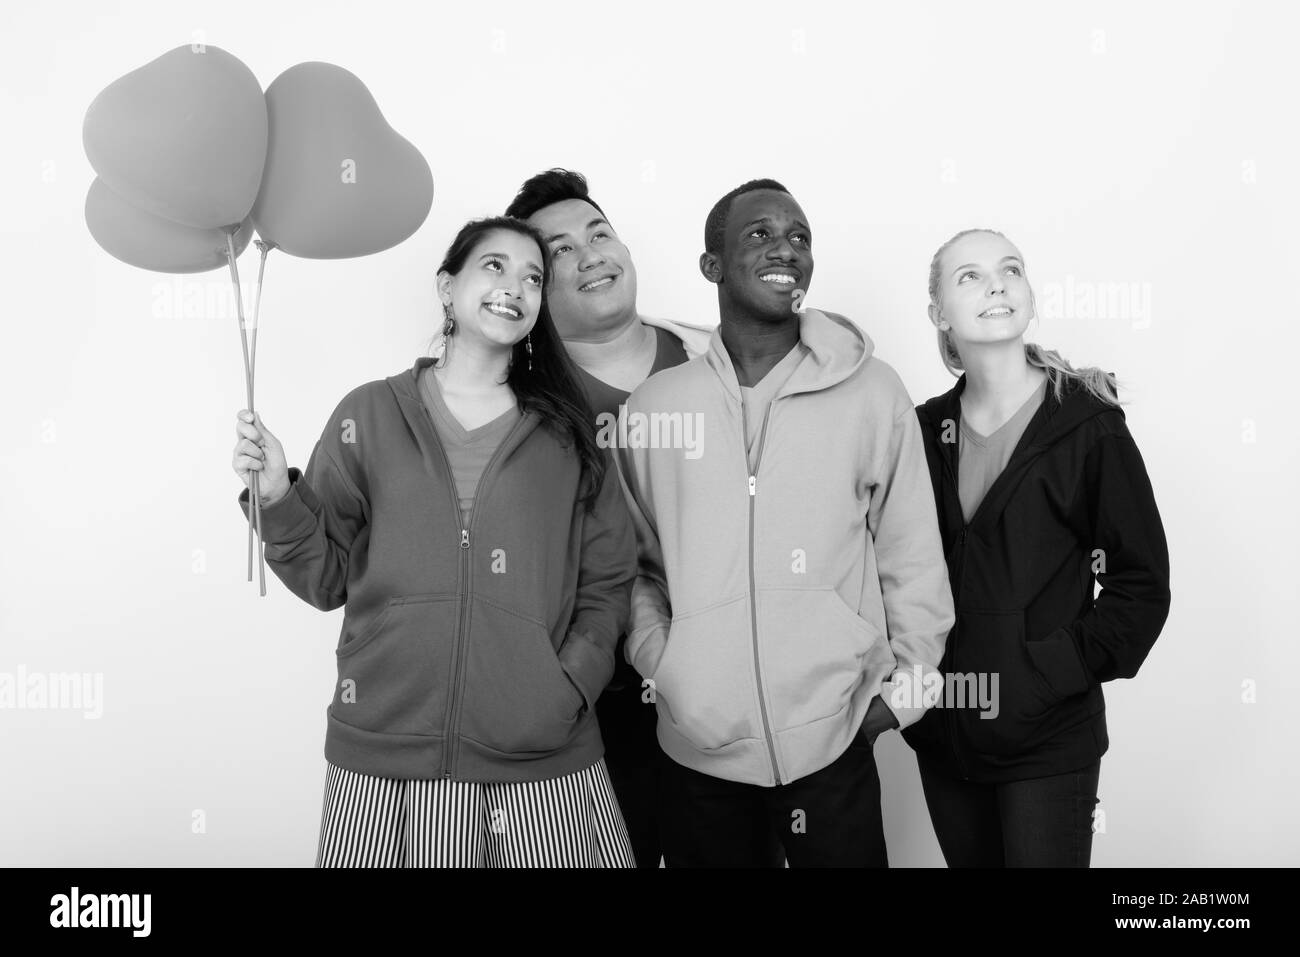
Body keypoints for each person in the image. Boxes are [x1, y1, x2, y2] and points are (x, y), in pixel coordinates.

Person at [230, 216, 637, 867]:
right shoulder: (369, 414)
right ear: (447, 287)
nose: (516, 287)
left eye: (533, 276)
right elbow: (325, 577)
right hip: (387, 756)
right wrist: (277, 496)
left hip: (540, 757)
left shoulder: (571, 436)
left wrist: (566, 686)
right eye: (495, 266)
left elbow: (608, 581)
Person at [615, 179, 955, 867]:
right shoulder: (654, 407)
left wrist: (902, 696)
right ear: (711, 264)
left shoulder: (872, 390)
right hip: (697, 755)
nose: (787, 250)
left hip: (835, 744)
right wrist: (668, 667)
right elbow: (632, 566)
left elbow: (911, 549)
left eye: (800, 236)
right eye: (761, 234)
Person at [901, 227, 1171, 867]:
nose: (996, 283)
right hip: (945, 739)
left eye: (1011, 269)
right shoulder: (919, 431)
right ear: (938, 312)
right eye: (969, 275)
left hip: (1048, 740)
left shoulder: (1087, 425)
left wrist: (1050, 672)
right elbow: (891, 569)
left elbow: (1141, 587)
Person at [504, 169, 716, 868]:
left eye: (599, 234)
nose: (590, 253)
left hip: (727, 669)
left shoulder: (717, 356)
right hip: (597, 689)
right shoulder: (521, 408)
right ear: (532, 288)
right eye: (560, 250)